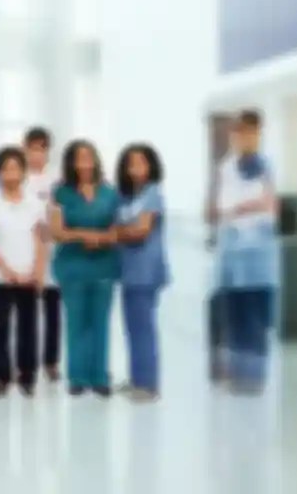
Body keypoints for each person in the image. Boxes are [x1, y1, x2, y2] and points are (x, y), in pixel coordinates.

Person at [212, 110, 279, 395]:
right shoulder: (226, 168)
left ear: (258, 134)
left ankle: (255, 378)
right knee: (235, 315)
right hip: (232, 252)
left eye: (250, 132)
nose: (244, 137)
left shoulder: (267, 166)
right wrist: (246, 206)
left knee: (255, 317)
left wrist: (240, 208)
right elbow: (221, 207)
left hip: (257, 255)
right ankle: (239, 375)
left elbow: (269, 207)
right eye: (239, 132)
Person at [48, 139, 120, 398]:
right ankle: (77, 377)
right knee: (76, 322)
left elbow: (116, 228)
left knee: (100, 322)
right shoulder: (60, 192)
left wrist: (101, 239)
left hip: (104, 265)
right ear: (71, 163)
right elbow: (56, 231)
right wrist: (85, 236)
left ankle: (99, 377)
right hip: (72, 265)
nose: (84, 162)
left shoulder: (110, 192)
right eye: (78, 158)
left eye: (88, 157)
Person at [0, 146, 49, 397]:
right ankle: (2, 376)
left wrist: (38, 271)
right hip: (0, 276)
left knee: (28, 327)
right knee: (1, 327)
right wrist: (6, 269)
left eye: (16, 168)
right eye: (6, 168)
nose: (11, 173)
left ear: (23, 171)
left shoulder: (35, 204)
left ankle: (27, 376)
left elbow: (42, 240)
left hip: (29, 275)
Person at [115, 143, 169, 402]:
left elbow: (142, 230)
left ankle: (148, 384)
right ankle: (137, 378)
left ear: (151, 166)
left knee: (144, 327)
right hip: (128, 270)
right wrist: (120, 233)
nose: (135, 169)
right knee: (132, 327)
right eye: (130, 164)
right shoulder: (127, 197)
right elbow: (124, 228)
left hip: (146, 271)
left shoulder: (152, 194)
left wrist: (116, 234)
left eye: (141, 163)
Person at [23, 126, 63, 382]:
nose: (37, 155)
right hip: (23, 251)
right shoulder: (17, 177)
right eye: (32, 149)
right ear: (24, 149)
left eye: (42, 149)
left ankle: (51, 361)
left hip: (51, 252)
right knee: (25, 310)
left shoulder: (57, 181)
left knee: (52, 311)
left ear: (48, 152)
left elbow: (60, 214)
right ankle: (26, 360)